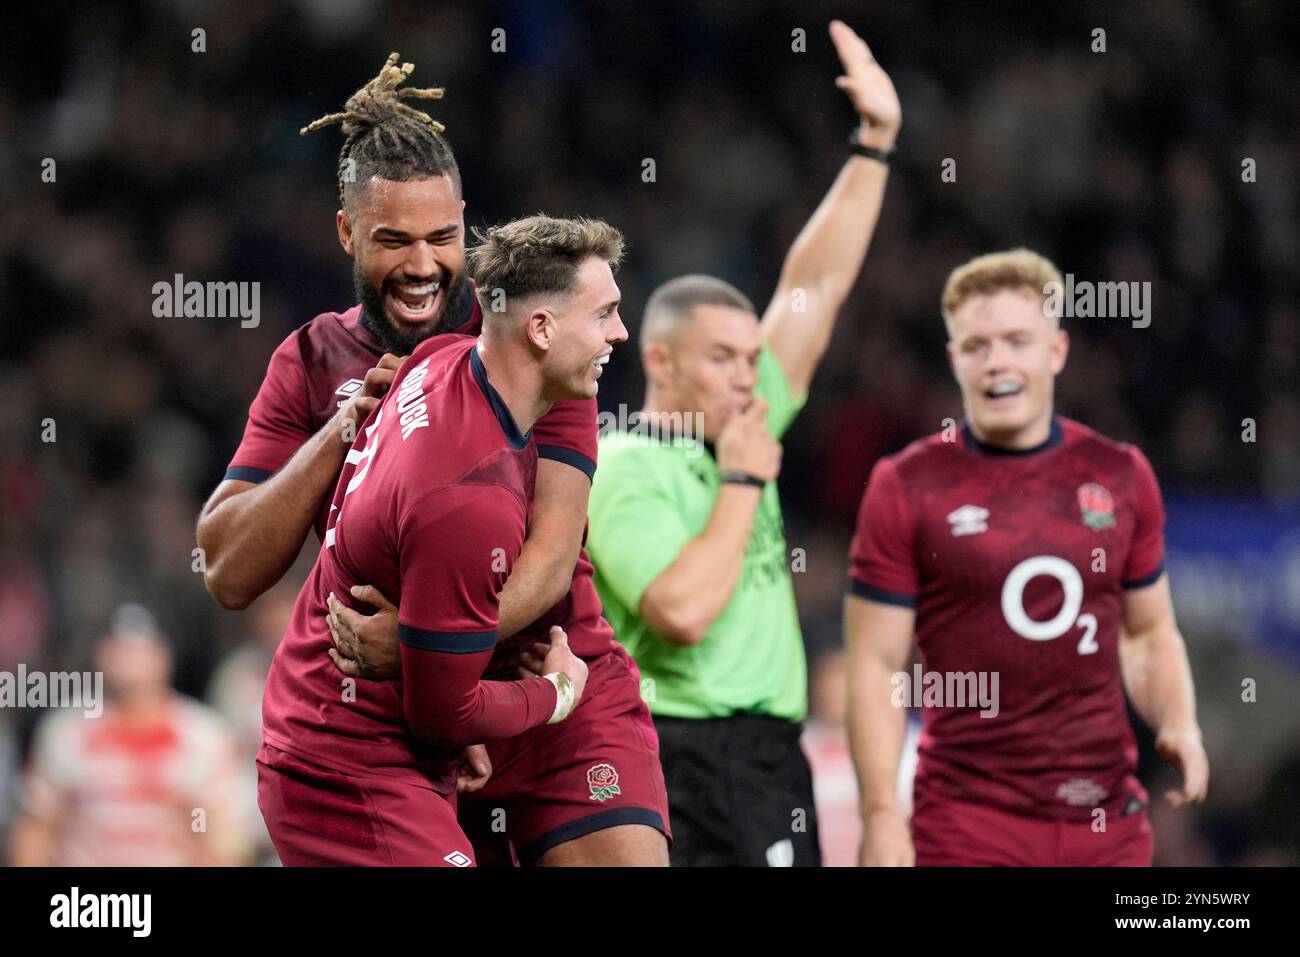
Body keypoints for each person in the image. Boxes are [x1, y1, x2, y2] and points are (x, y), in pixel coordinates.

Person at [197, 54, 669, 865]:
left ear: (465, 225)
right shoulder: (312, 362)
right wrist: (342, 429)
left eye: (442, 238)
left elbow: (552, 556)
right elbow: (228, 569)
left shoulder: (527, 336)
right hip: (395, 716)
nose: (422, 266)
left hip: (549, 670)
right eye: (393, 241)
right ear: (347, 233)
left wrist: (427, 643)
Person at [584, 20, 899, 866]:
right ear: (660, 361)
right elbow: (682, 611)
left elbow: (814, 287)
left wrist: (873, 146)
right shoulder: (622, 466)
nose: (744, 377)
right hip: (681, 752)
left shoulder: (745, 421)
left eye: (750, 358)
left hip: (766, 756)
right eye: (721, 358)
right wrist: (744, 484)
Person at [257, 214, 627, 866]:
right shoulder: (470, 499)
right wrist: (558, 691)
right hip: (344, 767)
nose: (619, 332)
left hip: (352, 735)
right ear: (541, 329)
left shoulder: (438, 362)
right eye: (605, 314)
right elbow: (442, 715)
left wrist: (433, 655)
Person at [845, 248, 1209, 867]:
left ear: (1056, 351)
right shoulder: (906, 485)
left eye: (1017, 341)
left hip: (1105, 822)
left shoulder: (1120, 475)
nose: (997, 362)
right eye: (977, 346)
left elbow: (1148, 634)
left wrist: (1179, 721)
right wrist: (880, 814)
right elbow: (877, 664)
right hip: (968, 824)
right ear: (955, 360)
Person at [9, 604, 248, 866]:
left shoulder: (202, 734)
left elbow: (221, 838)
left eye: (141, 649)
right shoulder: (66, 729)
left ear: (165, 654)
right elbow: (36, 827)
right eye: (117, 648)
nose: (129, 660)